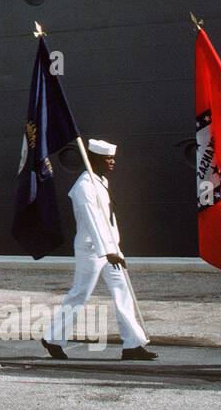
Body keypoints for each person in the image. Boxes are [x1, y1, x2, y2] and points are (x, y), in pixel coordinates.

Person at [41, 139, 156, 361]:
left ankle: (132, 344)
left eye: (112, 158)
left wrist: (115, 247)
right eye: (108, 159)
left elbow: (108, 220)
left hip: (110, 248)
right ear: (93, 160)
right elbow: (92, 221)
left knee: (123, 292)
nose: (112, 162)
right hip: (91, 250)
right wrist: (107, 251)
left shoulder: (101, 182)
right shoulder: (84, 186)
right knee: (80, 294)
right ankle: (53, 337)